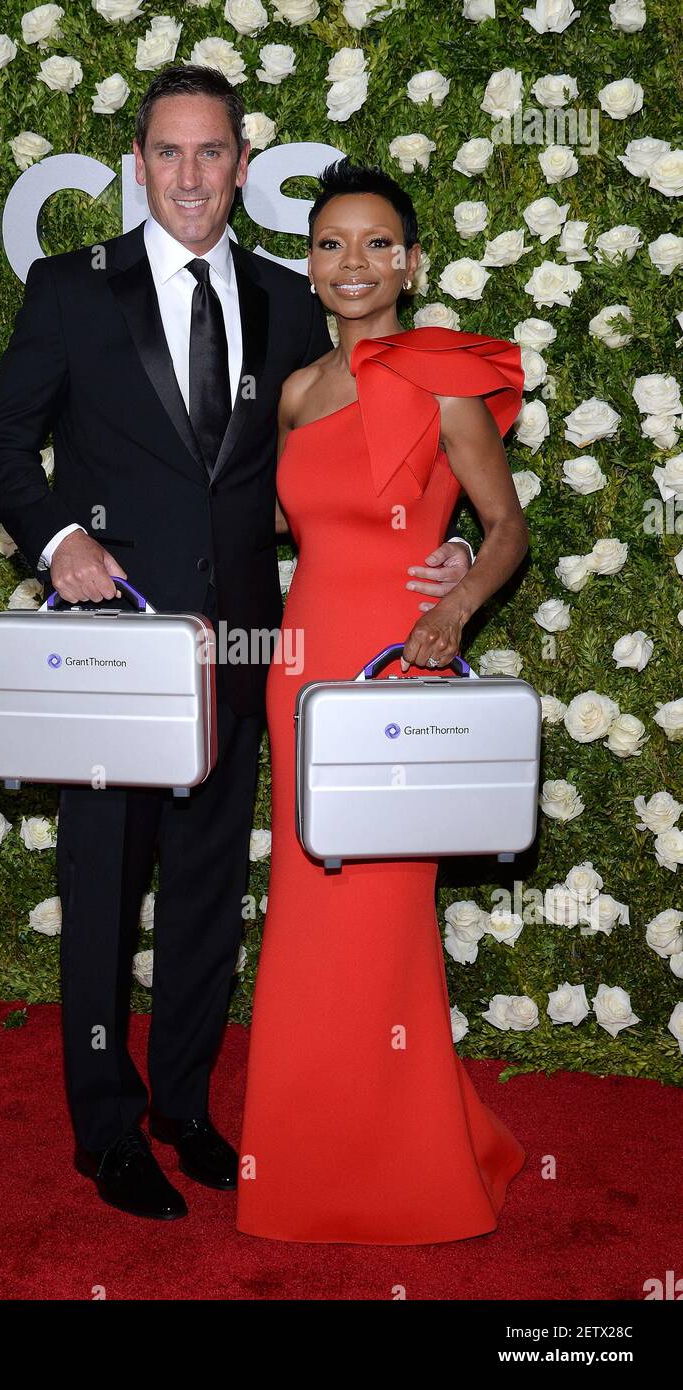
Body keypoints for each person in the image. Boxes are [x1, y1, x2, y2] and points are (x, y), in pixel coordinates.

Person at [0, 69, 475, 1222]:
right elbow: (2, 446)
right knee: (100, 893)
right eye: (168, 154)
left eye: (212, 156)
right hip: (114, 657)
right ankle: (103, 1128)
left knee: (204, 892)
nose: (190, 177)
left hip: (248, 648)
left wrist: (442, 553)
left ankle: (184, 1104)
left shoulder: (289, 302)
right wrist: (56, 540)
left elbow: (364, 464)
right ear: (136, 163)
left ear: (242, 166)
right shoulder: (67, 291)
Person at [236, 157, 529, 1245]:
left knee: (381, 915)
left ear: (408, 261)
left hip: (396, 662)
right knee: (312, 908)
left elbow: (504, 525)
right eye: (328, 244)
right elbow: (270, 523)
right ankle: (309, 1161)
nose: (350, 262)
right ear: (308, 268)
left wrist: (455, 605)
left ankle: (405, 1165)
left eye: (373, 243)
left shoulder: (442, 376)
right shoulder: (293, 392)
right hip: (301, 665)